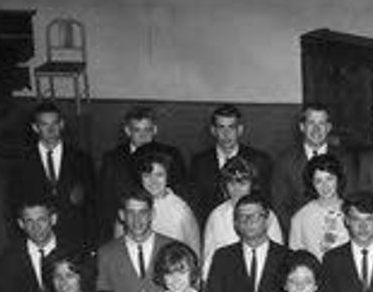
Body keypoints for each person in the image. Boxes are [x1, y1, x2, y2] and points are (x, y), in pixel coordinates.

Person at [6, 101, 95, 248]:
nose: (51, 129)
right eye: (44, 124)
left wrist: (91, 243)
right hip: (37, 239)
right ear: (35, 128)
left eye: (55, 123)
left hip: (75, 238)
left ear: (62, 125)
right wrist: (19, 244)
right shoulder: (22, 162)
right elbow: (14, 205)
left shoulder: (81, 159)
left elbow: (91, 205)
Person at [205, 192, 288, 292]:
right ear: (235, 223)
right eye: (242, 217)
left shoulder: (287, 257)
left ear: (267, 220)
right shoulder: (222, 257)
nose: (249, 222)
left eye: (255, 216)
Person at [97, 105, 188, 236]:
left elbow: (181, 191)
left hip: (164, 224)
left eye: (147, 130)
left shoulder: (171, 155)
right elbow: (105, 201)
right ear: (127, 131)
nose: (143, 136)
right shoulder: (112, 159)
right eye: (137, 130)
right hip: (125, 227)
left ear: (155, 130)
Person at [95, 191, 172, 292]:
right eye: (131, 213)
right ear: (122, 215)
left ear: (152, 214)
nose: (137, 220)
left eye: (143, 212)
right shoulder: (107, 254)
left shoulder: (171, 248)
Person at [190, 103, 274, 226]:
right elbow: (196, 205)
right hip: (213, 226)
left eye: (231, 127)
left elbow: (266, 201)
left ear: (240, 130)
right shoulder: (199, 163)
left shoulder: (259, 160)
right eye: (221, 127)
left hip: (251, 226)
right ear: (213, 130)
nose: (226, 133)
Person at [201, 157, 285, 277]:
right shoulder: (216, 216)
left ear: (252, 185)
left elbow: (278, 256)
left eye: (242, 183)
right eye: (231, 183)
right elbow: (208, 260)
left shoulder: (267, 215)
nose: (236, 189)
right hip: (227, 279)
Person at [272, 103, 347, 230]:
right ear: (302, 127)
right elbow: (279, 204)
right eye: (311, 123)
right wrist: (297, 231)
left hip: (339, 231)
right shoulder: (284, 161)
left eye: (321, 123)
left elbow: (349, 198)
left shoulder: (345, 159)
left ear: (328, 128)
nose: (316, 129)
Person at [135, 150, 201, 256]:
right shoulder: (132, 205)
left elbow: (195, 251)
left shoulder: (181, 210)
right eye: (147, 175)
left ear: (168, 177)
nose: (153, 181)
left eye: (159, 175)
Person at [287, 153, 350, 261]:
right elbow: (296, 259)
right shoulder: (300, 217)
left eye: (329, 179)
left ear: (338, 179)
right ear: (311, 184)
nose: (325, 186)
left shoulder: (352, 211)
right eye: (318, 181)